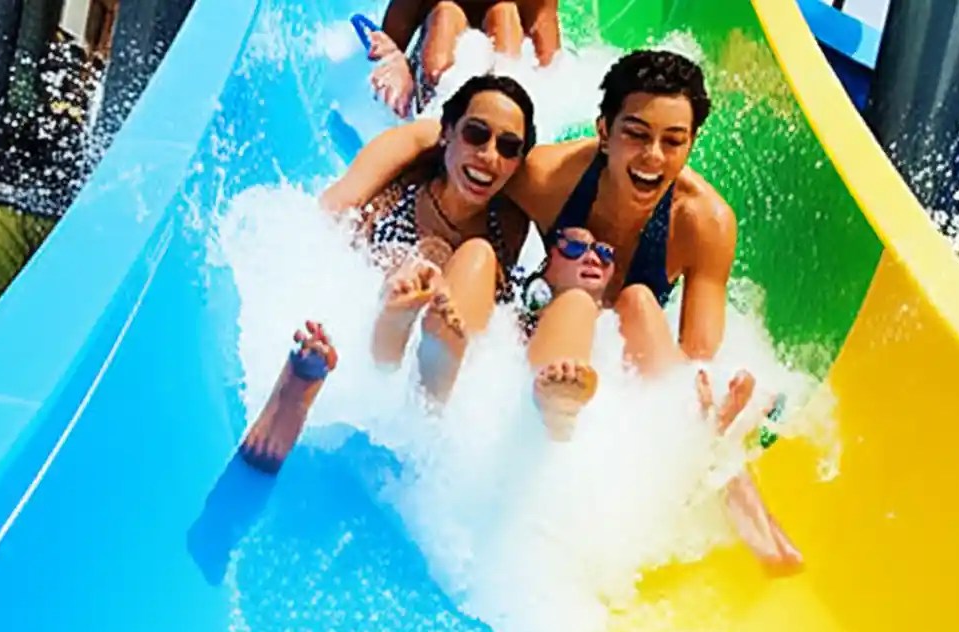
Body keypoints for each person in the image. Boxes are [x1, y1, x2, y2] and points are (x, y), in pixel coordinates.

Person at [344, 50, 738, 440]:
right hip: (543, 332)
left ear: (691, 143)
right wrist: (367, 204)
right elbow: (467, 151)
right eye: (636, 134)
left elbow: (699, 357)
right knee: (502, 269)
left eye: (673, 141)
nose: (653, 156)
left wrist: (703, 411)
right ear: (604, 131)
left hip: (614, 362)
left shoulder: (705, 223)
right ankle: (440, 380)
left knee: (638, 301)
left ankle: (600, 419)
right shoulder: (546, 178)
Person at [239, 74, 538, 473]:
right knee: (404, 277)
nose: (489, 155)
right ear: (446, 132)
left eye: (508, 146)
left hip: (451, 338)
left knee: (476, 260)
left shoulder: (513, 220)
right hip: (374, 299)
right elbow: (326, 219)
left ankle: (427, 352)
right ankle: (314, 375)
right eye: (476, 134)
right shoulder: (408, 168)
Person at [522, 226, 803, 574]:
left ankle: (705, 423)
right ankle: (710, 430)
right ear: (545, 263)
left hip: (634, 457)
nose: (592, 256)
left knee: (640, 302)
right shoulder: (533, 320)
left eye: (604, 252)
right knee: (700, 423)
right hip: (569, 459)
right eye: (575, 247)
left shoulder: (618, 326)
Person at [367, 0, 562, 117]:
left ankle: (498, 117)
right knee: (446, 16)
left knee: (504, 16)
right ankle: (432, 111)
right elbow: (387, 44)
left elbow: (550, 65)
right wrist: (397, 65)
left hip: (503, 40)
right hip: (437, 50)